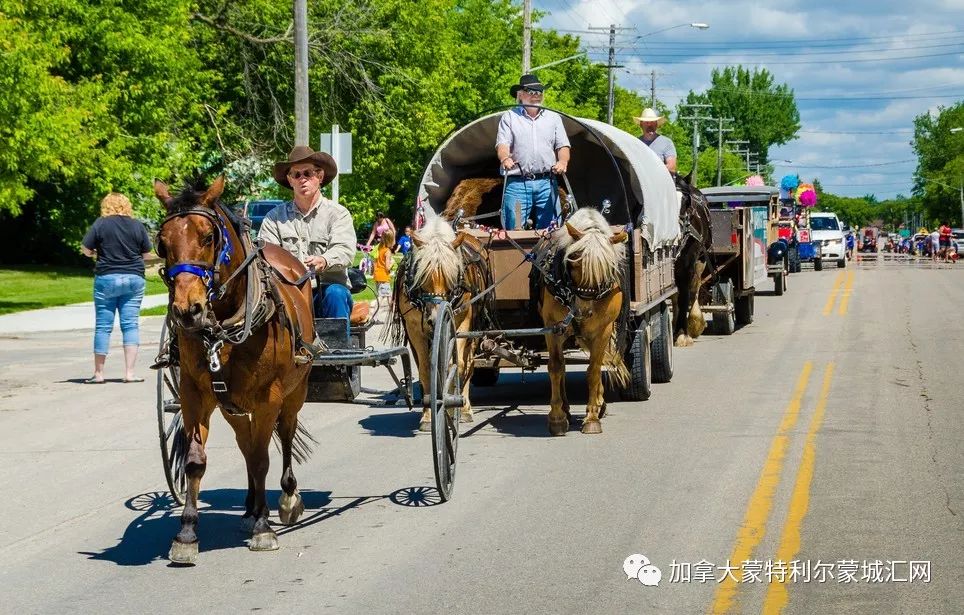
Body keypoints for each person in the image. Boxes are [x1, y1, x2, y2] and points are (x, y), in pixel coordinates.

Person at [260, 145, 356, 323]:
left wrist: (324, 260)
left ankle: (339, 350)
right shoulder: (274, 218)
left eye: (308, 174)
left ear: (319, 177)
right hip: (289, 296)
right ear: (290, 180)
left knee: (336, 293)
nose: (302, 179)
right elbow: (265, 256)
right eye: (296, 175)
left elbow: (345, 251)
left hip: (326, 292)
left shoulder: (338, 214)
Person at [80, 192, 153, 384]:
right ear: (126, 205)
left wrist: (97, 252)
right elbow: (146, 255)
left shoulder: (100, 224)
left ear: (106, 206)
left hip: (107, 278)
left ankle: (98, 374)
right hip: (133, 278)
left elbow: (85, 250)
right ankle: (129, 374)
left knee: (103, 327)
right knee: (130, 325)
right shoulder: (137, 225)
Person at [496, 74, 571, 230]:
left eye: (539, 92)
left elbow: (563, 145)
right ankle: (516, 254)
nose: (536, 96)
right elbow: (502, 144)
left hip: (546, 183)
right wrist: (505, 158)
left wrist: (563, 161)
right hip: (517, 184)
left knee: (551, 230)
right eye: (532, 92)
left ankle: (547, 254)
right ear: (520, 95)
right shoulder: (509, 117)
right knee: (515, 229)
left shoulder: (553, 118)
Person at [634, 108, 677, 174]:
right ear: (641, 124)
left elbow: (672, 167)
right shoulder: (635, 143)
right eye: (647, 122)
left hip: (659, 182)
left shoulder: (666, 142)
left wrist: (650, 170)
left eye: (652, 122)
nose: (650, 125)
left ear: (656, 124)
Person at [372, 229, 395, 317]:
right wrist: (392, 262)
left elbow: (375, 262)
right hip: (384, 277)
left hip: (377, 275)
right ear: (391, 240)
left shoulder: (379, 249)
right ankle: (373, 316)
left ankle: (394, 315)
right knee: (381, 297)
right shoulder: (387, 251)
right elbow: (387, 267)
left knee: (389, 296)